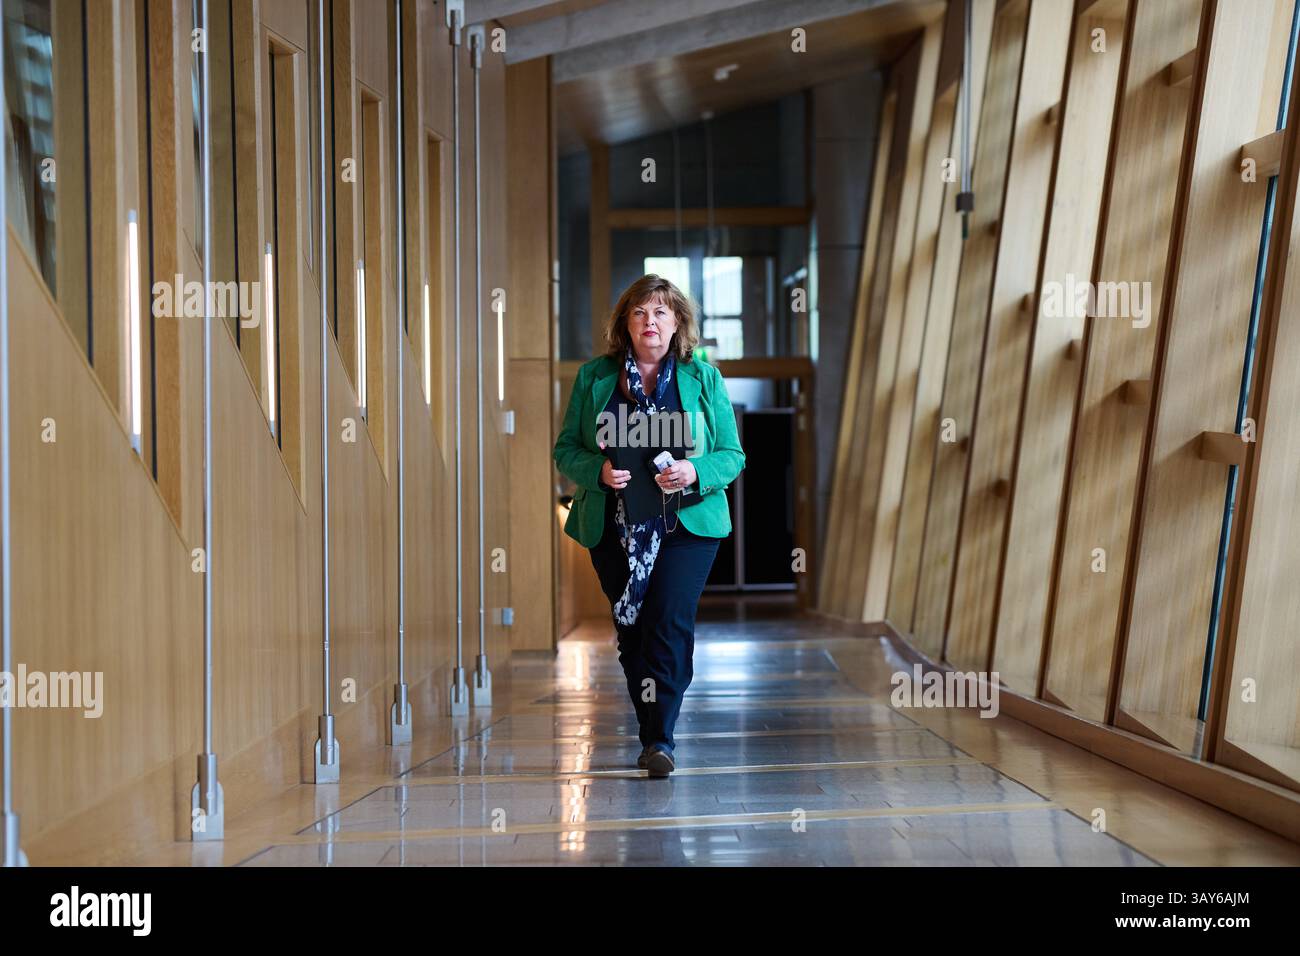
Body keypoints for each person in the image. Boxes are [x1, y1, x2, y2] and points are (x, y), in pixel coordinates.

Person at [553, 274, 745, 778]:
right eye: (639, 312)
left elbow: (733, 454)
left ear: (677, 321)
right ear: (626, 323)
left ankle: (660, 738)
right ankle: (653, 729)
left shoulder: (703, 378)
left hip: (687, 525)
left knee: (667, 621)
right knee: (632, 630)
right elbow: (565, 450)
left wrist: (695, 470)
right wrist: (595, 469)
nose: (650, 321)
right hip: (614, 526)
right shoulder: (594, 378)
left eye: (660, 312)